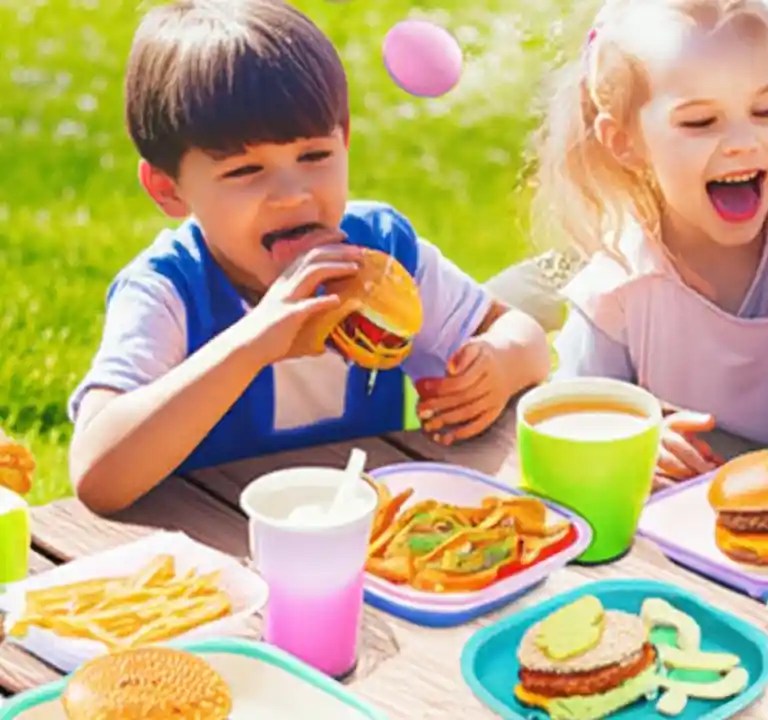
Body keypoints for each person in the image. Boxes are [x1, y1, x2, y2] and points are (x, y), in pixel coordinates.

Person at [67, 0, 550, 514]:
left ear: (344, 142)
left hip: (370, 539)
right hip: (216, 556)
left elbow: (525, 339)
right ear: (167, 189)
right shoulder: (169, 290)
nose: (292, 194)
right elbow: (98, 475)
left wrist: (495, 368)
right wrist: (252, 344)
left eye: (314, 156)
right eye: (244, 171)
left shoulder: (382, 253)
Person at [534, 0, 768, 479]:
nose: (741, 142)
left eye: (766, 110)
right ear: (625, 142)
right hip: (665, 549)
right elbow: (570, 431)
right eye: (700, 122)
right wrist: (628, 448)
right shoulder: (617, 296)